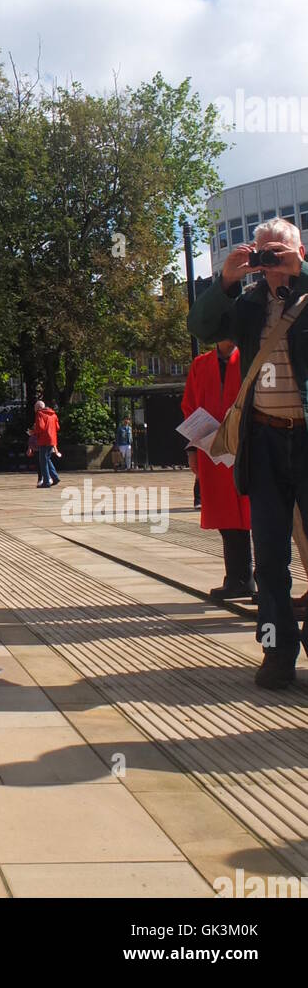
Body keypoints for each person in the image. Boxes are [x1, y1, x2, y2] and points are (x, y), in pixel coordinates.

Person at [187, 217, 308, 689]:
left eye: (281, 251)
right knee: (272, 555)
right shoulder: (248, 304)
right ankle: (278, 651)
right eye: (264, 253)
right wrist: (226, 281)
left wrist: (301, 270)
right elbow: (200, 325)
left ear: (299, 251)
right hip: (264, 440)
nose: (272, 261)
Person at [181, 340, 254, 603]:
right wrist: (192, 450)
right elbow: (189, 406)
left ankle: (262, 580)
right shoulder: (200, 365)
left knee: (256, 516)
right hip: (211, 448)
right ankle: (238, 578)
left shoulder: (250, 358)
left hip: (246, 447)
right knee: (226, 519)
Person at [32, 400, 61, 487]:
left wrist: (33, 432)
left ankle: (46, 481)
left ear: (39, 408)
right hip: (52, 439)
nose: (34, 410)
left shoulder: (40, 414)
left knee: (43, 462)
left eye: (35, 408)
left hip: (44, 440)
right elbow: (57, 427)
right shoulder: (53, 414)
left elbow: (40, 427)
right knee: (47, 459)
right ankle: (55, 477)